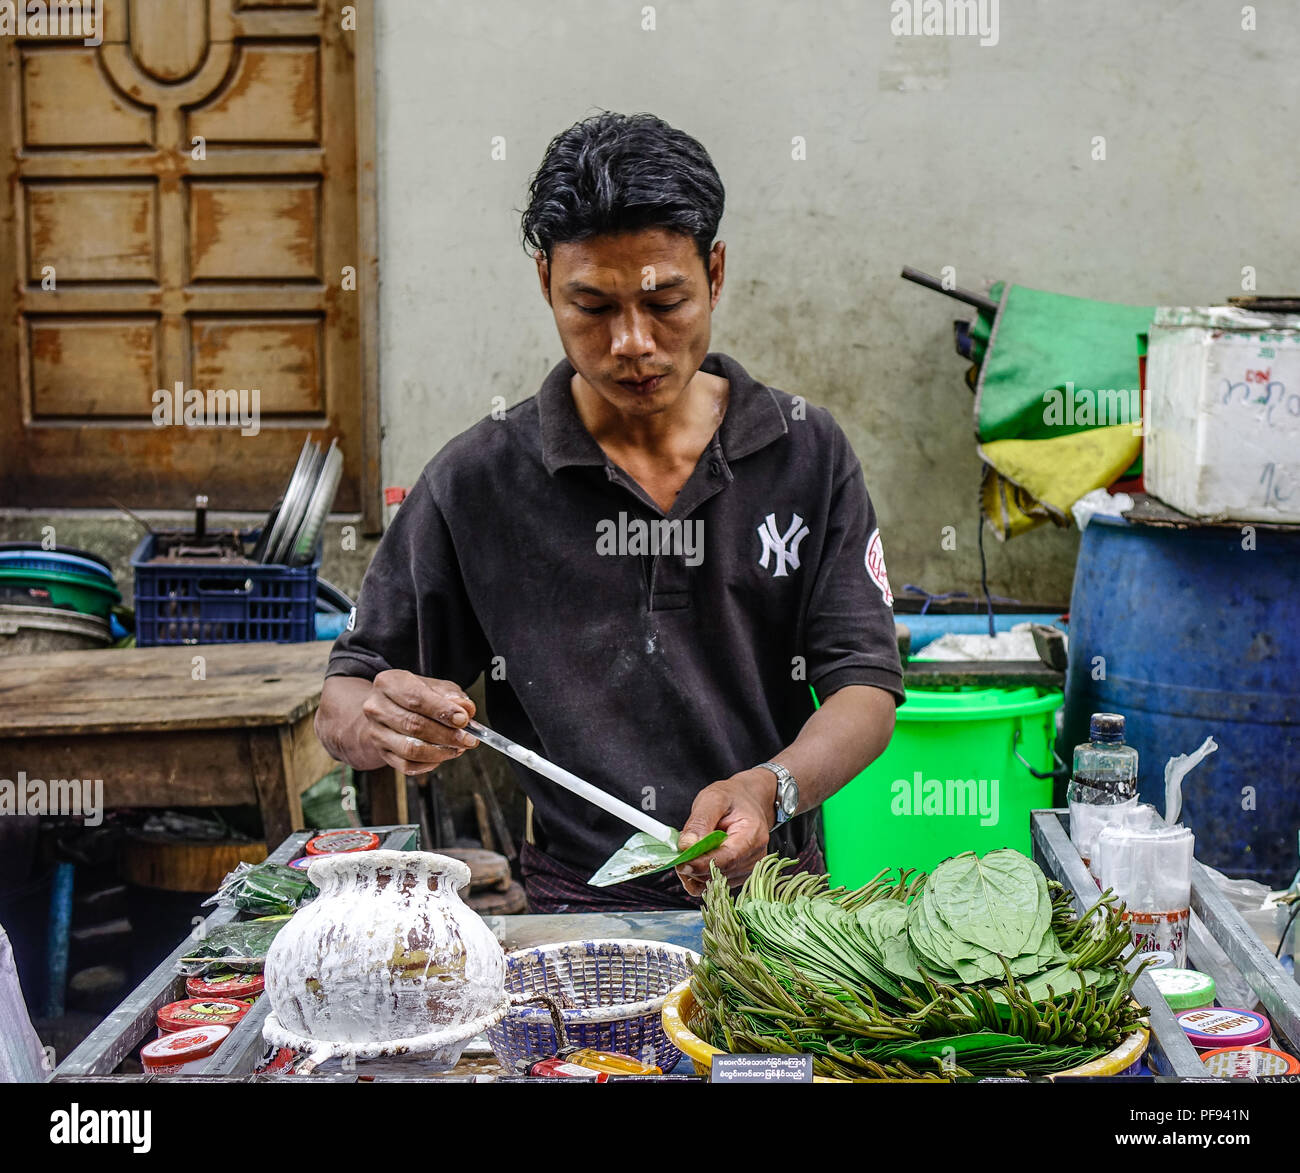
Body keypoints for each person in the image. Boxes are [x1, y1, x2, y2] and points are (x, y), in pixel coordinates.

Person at [315, 112, 904, 912]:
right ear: (545, 284)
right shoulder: (478, 481)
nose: (632, 342)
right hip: (576, 909)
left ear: (717, 273)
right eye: (591, 305)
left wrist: (770, 788)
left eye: (666, 300)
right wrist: (380, 721)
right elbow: (342, 699)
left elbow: (865, 687)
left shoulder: (805, 452)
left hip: (781, 909)